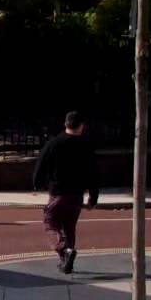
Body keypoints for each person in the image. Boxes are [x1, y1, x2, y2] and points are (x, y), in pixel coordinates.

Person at [33, 111, 99, 274]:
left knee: (50, 224)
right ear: (81, 126)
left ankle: (65, 250)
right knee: (69, 227)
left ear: (65, 124)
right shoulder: (86, 146)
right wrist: (93, 197)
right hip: (77, 195)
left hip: (58, 193)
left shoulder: (54, 143)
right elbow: (93, 173)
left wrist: (37, 184)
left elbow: (41, 165)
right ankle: (66, 263)